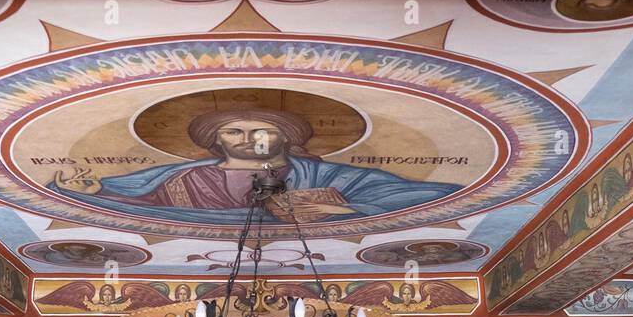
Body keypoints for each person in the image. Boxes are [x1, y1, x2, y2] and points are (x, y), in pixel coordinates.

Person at [49, 107, 460, 222]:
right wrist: (100, 192)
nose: (245, 139)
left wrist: (345, 209)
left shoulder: (326, 176)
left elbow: (402, 194)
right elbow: (142, 202)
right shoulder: (185, 179)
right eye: (232, 132)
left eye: (260, 130)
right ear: (215, 140)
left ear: (286, 138)